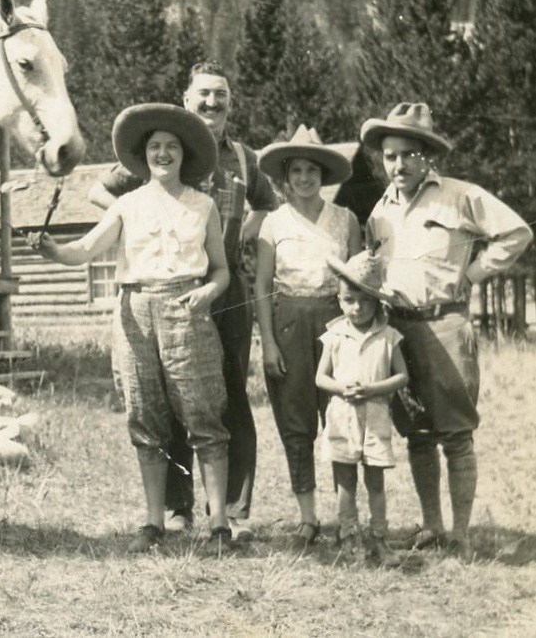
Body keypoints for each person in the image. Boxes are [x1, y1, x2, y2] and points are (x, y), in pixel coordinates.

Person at [89, 61, 280, 538]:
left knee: (229, 395)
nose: (212, 104)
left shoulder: (244, 159)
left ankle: (231, 514)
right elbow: (99, 190)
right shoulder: (164, 146)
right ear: (187, 99)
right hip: (166, 294)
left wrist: (241, 240)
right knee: (167, 396)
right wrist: (133, 223)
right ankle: (177, 509)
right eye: (204, 96)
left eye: (221, 96)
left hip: (224, 287)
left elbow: (269, 205)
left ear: (230, 105)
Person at [31, 103, 232, 553]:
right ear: (143, 157)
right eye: (155, 147)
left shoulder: (203, 206)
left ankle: (218, 523)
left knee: (203, 414)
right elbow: (83, 251)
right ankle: (153, 522)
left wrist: (207, 293)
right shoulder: (126, 205)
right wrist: (50, 249)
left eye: (172, 147)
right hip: (134, 311)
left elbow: (221, 271)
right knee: (145, 415)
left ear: (185, 155)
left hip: (187, 310)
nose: (163, 154)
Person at [362, 102, 533, 558]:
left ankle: (461, 535)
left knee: (455, 435)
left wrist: (474, 273)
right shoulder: (380, 212)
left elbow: (517, 233)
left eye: (408, 154)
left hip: (446, 325)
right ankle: (433, 526)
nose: (398, 164)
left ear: (427, 155)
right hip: (400, 329)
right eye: (390, 155)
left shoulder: (459, 196)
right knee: (416, 433)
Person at [254, 125, 359, 546]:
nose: (304, 178)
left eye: (312, 169)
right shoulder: (272, 223)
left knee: (342, 416)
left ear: (323, 174)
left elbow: (357, 281)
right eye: (296, 170)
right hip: (289, 321)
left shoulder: (346, 219)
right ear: (285, 176)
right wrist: (268, 343)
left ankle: (347, 516)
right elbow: (261, 285)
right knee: (296, 422)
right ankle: (308, 517)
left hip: (336, 321)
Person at [315, 251, 410, 564]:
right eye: (349, 300)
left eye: (364, 301)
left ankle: (379, 539)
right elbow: (321, 377)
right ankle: (348, 537)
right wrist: (342, 388)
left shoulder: (388, 336)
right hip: (342, 416)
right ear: (340, 300)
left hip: (375, 416)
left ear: (377, 302)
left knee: (375, 481)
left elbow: (401, 376)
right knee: (345, 479)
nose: (356, 308)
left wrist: (371, 389)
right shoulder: (334, 334)